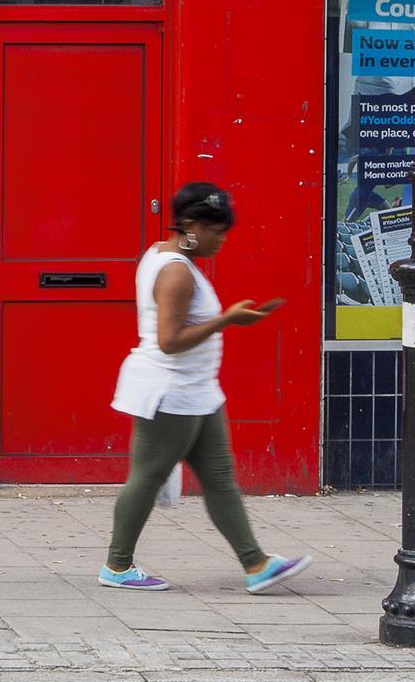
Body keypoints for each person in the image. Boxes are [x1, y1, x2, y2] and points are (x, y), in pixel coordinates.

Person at [100, 182, 311, 595]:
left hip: (197, 391)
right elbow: (169, 340)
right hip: (169, 391)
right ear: (191, 224)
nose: (222, 239)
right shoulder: (176, 270)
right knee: (146, 477)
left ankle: (257, 564)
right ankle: (117, 565)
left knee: (219, 480)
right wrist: (228, 320)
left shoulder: (166, 255)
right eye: (216, 230)